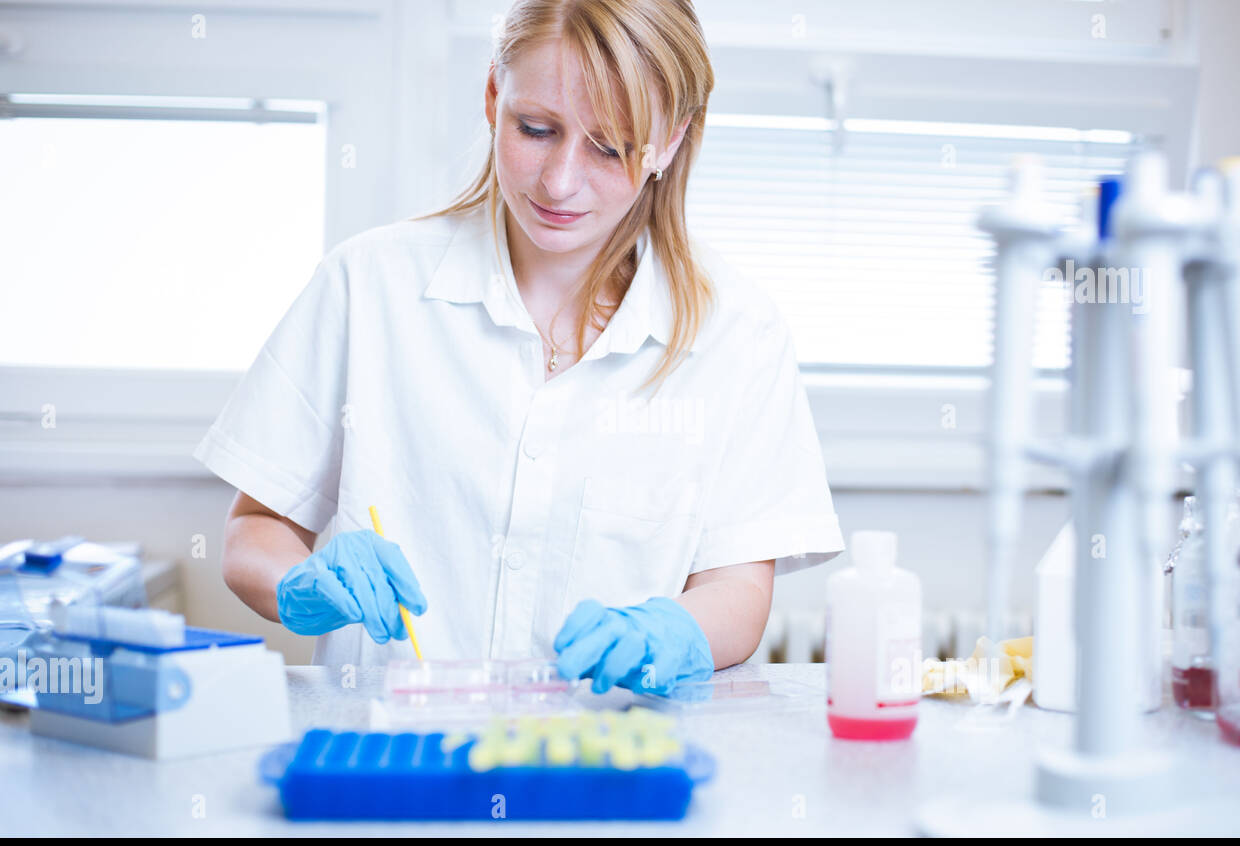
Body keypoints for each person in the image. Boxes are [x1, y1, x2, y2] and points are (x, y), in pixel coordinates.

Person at [195, 0, 844, 696]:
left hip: (602, 764)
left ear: (670, 141)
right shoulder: (368, 286)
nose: (560, 181)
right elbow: (252, 533)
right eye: (536, 129)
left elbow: (737, 588)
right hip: (386, 761)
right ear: (492, 95)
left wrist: (676, 629)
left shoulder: (737, 334)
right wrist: (299, 583)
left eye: (611, 147)